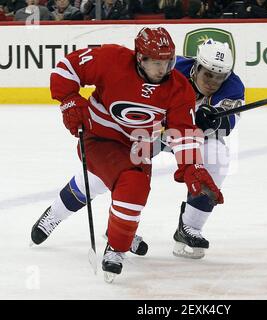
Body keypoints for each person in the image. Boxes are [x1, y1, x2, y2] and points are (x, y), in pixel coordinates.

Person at [30, 27, 224, 282]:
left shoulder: (178, 89)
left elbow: (184, 133)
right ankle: (118, 245)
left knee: (100, 182)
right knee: (132, 187)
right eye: (156, 62)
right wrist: (68, 100)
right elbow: (67, 67)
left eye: (167, 62)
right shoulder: (111, 59)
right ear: (140, 58)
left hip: (139, 145)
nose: (162, 69)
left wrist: (193, 168)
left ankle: (61, 215)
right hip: (99, 137)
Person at [155, 39, 245, 259]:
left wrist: (213, 121)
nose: (213, 82)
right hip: (157, 129)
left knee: (217, 156)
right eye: (208, 75)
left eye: (219, 77)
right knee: (123, 162)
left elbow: (226, 128)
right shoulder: (173, 68)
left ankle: (189, 228)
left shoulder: (233, 87)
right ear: (196, 67)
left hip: (190, 138)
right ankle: (118, 224)